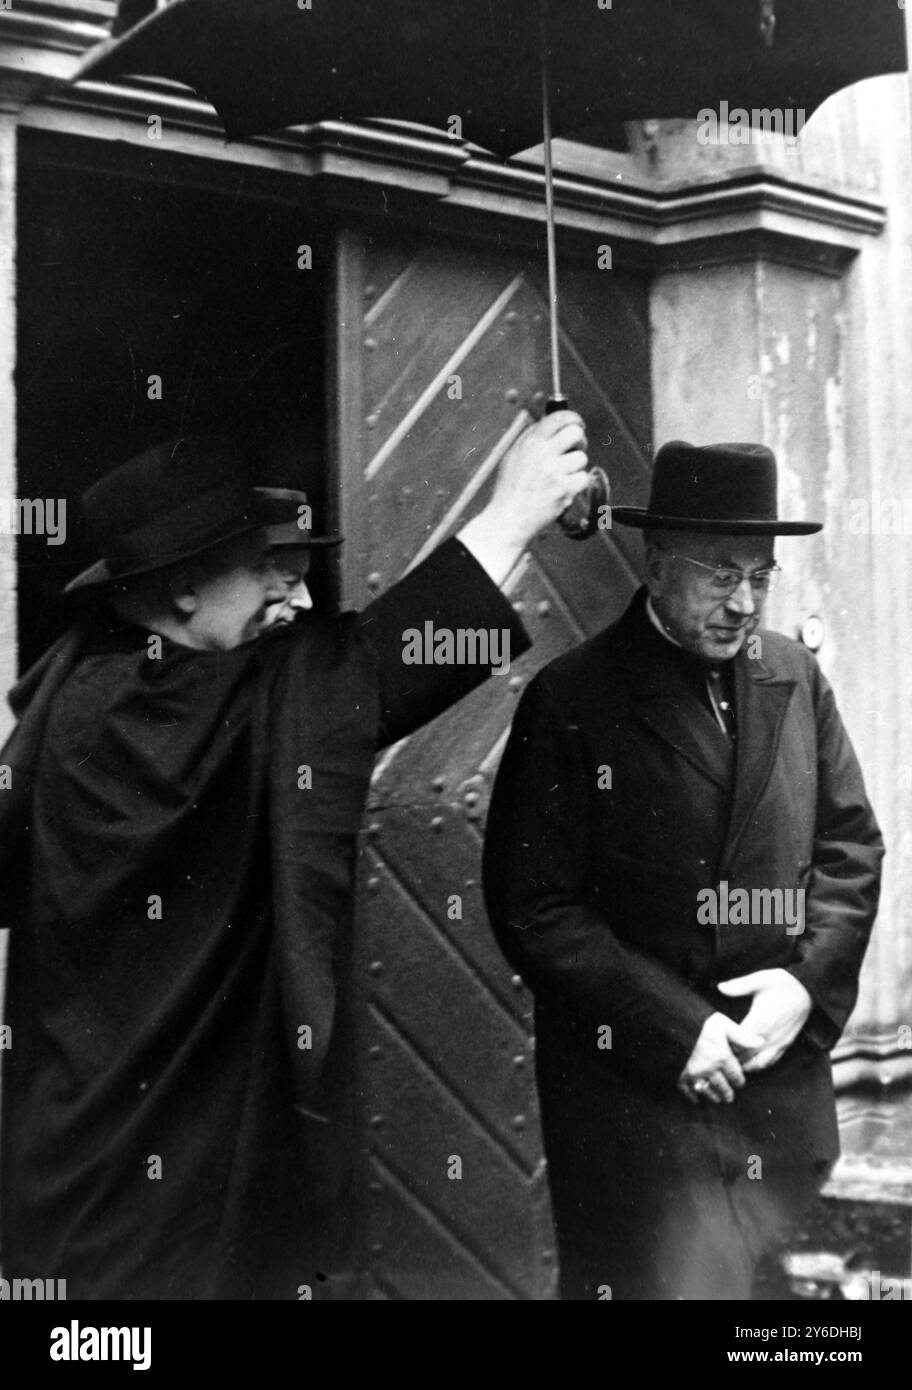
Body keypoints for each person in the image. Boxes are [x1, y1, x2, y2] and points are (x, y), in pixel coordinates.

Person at [0, 412, 589, 1300]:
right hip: (166, 1177)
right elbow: (379, 664)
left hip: (72, 1150)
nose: (299, 596)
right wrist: (513, 510)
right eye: (266, 569)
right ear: (186, 588)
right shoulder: (200, 706)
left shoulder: (69, 693)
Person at [482, 441, 884, 1301]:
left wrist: (805, 989)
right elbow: (535, 907)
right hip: (641, 1108)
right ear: (656, 563)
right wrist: (675, 1028)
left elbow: (852, 849)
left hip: (782, 1095)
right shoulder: (574, 701)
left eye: (762, 577)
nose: (744, 603)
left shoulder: (795, 677)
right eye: (719, 575)